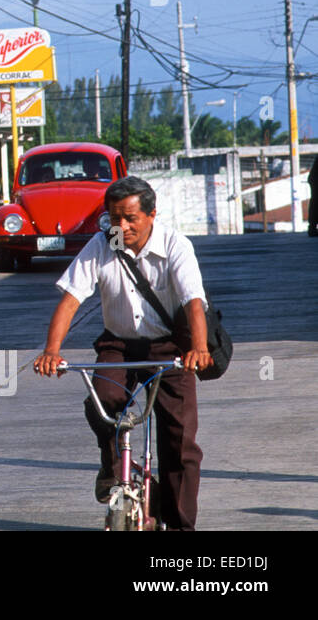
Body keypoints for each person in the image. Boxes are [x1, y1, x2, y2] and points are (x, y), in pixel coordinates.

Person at [33, 176, 213, 530]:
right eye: (115, 217)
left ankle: (178, 525)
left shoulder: (175, 245)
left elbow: (194, 302)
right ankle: (114, 468)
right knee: (103, 403)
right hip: (118, 345)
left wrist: (199, 348)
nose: (122, 226)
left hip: (170, 348)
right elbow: (70, 301)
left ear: (151, 215)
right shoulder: (102, 244)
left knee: (180, 444)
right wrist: (51, 351)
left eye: (130, 217)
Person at [308, 159, 317, 237]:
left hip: (314, 178)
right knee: (315, 203)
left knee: (314, 203)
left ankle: (312, 228)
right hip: (316, 179)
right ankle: (312, 228)